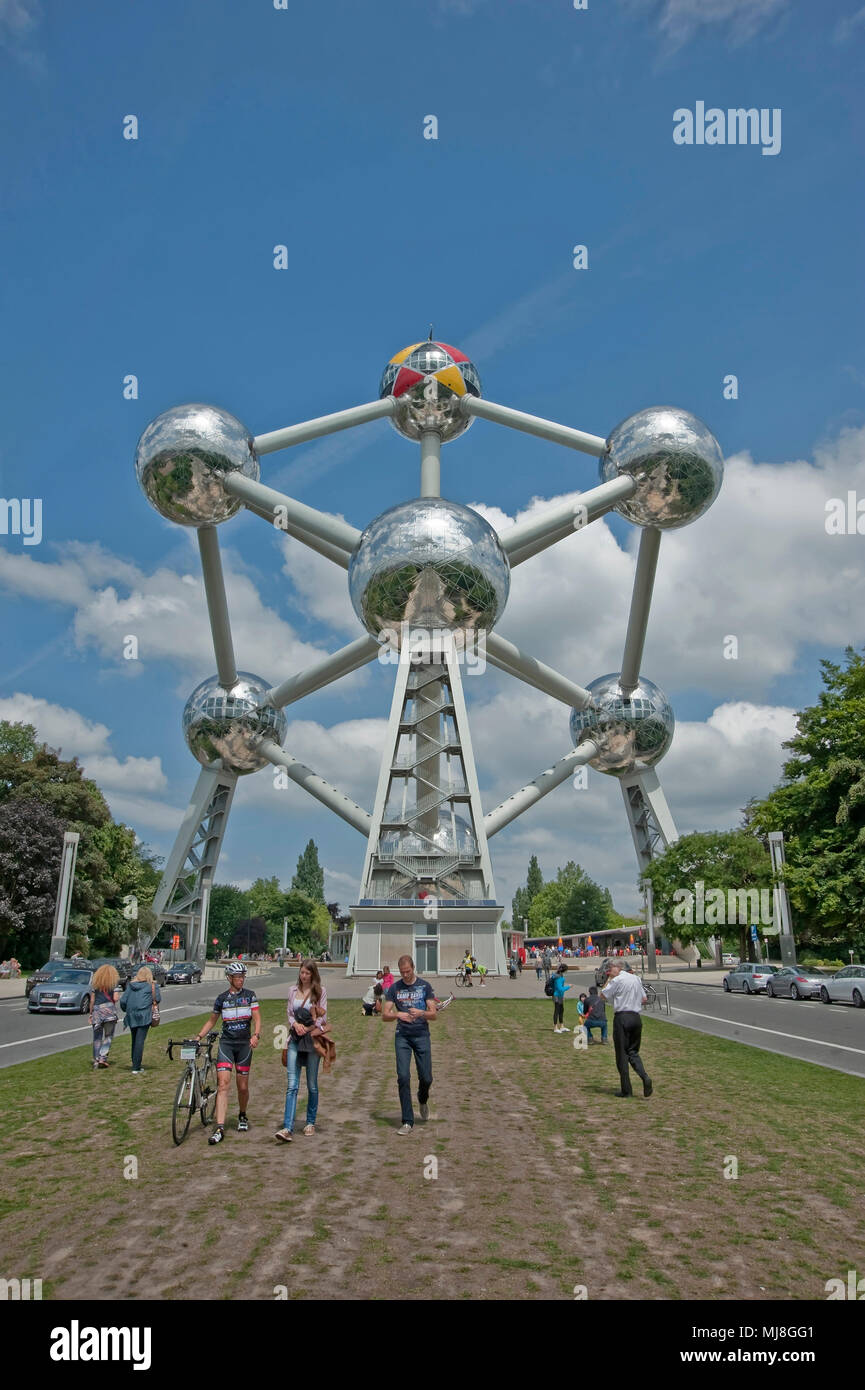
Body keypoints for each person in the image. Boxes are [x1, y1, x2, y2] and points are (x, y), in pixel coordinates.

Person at [196, 961, 261, 1144]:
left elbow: (257, 1017)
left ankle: (242, 1115)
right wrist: (199, 1036)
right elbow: (212, 1021)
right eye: (237, 977)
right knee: (223, 1085)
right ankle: (220, 1127)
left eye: (242, 977)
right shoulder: (222, 998)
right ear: (229, 978)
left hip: (243, 1045)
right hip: (226, 1044)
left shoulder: (250, 996)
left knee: (242, 1087)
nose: (241, 980)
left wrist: (256, 1035)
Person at [382, 955, 437, 1135]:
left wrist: (421, 1013)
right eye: (402, 972)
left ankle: (422, 1099)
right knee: (403, 1077)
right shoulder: (395, 989)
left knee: (426, 1077)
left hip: (421, 1034)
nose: (405, 975)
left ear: (413, 968)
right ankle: (407, 1120)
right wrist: (399, 1015)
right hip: (403, 1037)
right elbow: (385, 1014)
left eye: (408, 971)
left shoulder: (424, 987)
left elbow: (433, 1013)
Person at [275, 959, 328, 1143]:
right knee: (292, 1084)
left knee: (312, 1083)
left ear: (312, 974)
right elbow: (289, 1013)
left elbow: (323, 1016)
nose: (303, 976)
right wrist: (295, 1024)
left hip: (311, 1039)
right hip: (295, 1039)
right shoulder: (292, 990)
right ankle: (287, 1127)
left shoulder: (320, 992)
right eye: (301, 972)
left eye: (307, 973)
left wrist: (308, 1027)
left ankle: (310, 1122)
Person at [601, 963, 652, 1097]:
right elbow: (644, 999)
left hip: (622, 1017)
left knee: (622, 1055)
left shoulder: (617, 980)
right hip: (636, 1017)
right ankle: (644, 1077)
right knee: (633, 1052)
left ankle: (626, 1090)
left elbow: (603, 995)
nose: (610, 972)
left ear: (618, 967)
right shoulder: (636, 979)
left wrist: (609, 980)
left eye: (610, 969)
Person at [120, 965, 162, 1073]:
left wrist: (127, 1010)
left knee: (134, 1039)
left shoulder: (131, 986)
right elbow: (157, 999)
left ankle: (135, 1062)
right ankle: (136, 1066)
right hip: (144, 1015)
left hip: (132, 1015)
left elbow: (123, 1001)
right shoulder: (152, 986)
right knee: (139, 1041)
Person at [90, 965, 121, 1069]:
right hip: (109, 1013)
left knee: (97, 1038)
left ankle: (95, 1060)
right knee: (108, 1036)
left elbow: (92, 1000)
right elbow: (115, 998)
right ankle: (103, 1057)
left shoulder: (96, 983)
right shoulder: (113, 983)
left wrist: (91, 1013)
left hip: (97, 1013)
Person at [551, 964, 571, 1033]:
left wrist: (562, 996)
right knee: (557, 1010)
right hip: (556, 995)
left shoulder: (560, 975)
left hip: (560, 996)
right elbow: (560, 989)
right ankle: (555, 1027)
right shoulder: (558, 977)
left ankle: (562, 1026)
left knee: (561, 1010)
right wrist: (568, 986)